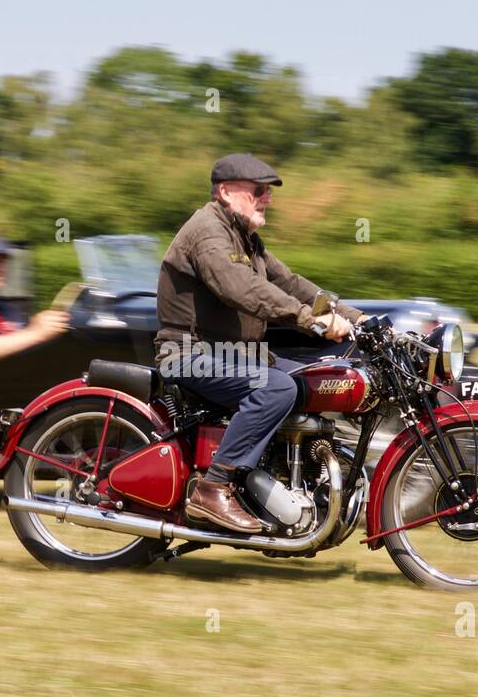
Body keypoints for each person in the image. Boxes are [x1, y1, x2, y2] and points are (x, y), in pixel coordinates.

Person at [155, 154, 364, 533]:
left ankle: (288, 481)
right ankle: (213, 486)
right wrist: (309, 319)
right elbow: (242, 289)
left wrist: (356, 317)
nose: (266, 198)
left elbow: (291, 283)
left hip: (236, 354)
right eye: (258, 191)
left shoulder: (246, 238)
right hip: (189, 355)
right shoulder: (208, 233)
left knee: (315, 379)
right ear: (226, 192)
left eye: (267, 191)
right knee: (276, 388)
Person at [0, 234, 70, 364]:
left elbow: (23, 340)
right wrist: (35, 333)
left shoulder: (7, 307)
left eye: (1, 261)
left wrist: (47, 325)